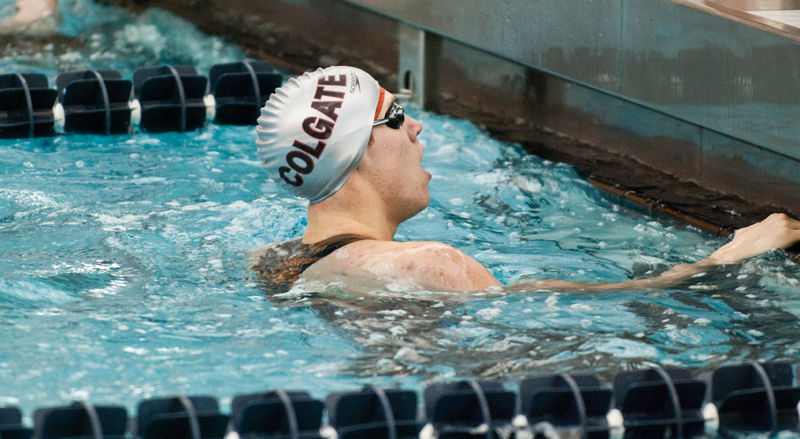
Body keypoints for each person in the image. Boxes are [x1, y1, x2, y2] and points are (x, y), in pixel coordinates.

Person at [251, 65, 800, 295]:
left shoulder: (271, 262)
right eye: (395, 117)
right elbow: (543, 314)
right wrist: (721, 263)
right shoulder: (430, 265)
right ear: (353, 154)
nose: (416, 126)